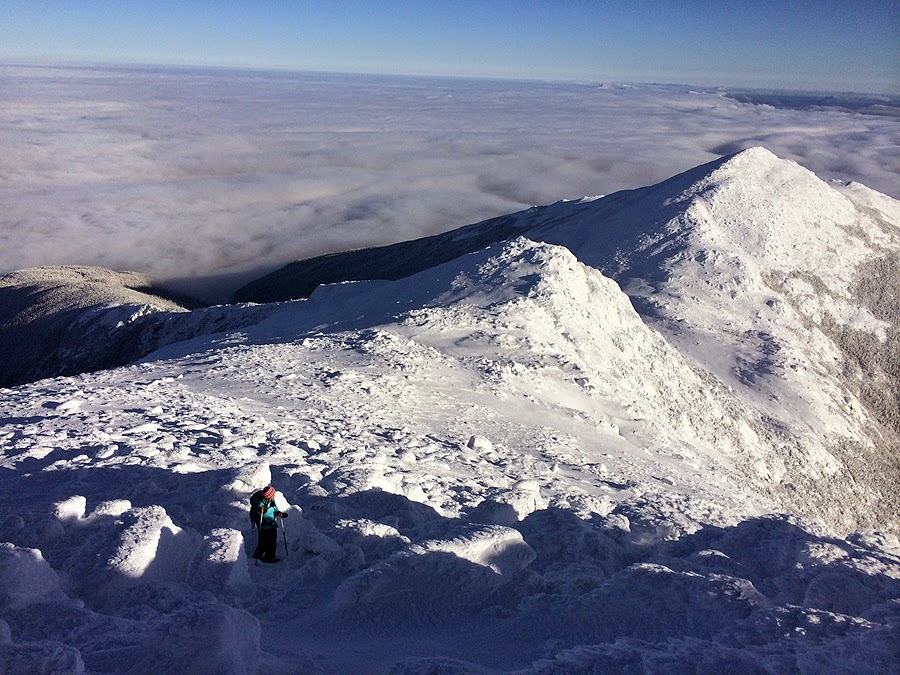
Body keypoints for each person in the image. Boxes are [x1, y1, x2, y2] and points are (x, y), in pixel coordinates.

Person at [249, 485, 288, 563]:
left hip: (272, 525)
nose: (274, 495)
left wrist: (280, 514)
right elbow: (259, 511)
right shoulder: (262, 502)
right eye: (273, 493)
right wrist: (261, 510)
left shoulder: (272, 501)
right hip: (264, 526)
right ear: (269, 495)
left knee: (271, 541)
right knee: (266, 541)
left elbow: (275, 509)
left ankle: (265, 556)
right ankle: (267, 557)